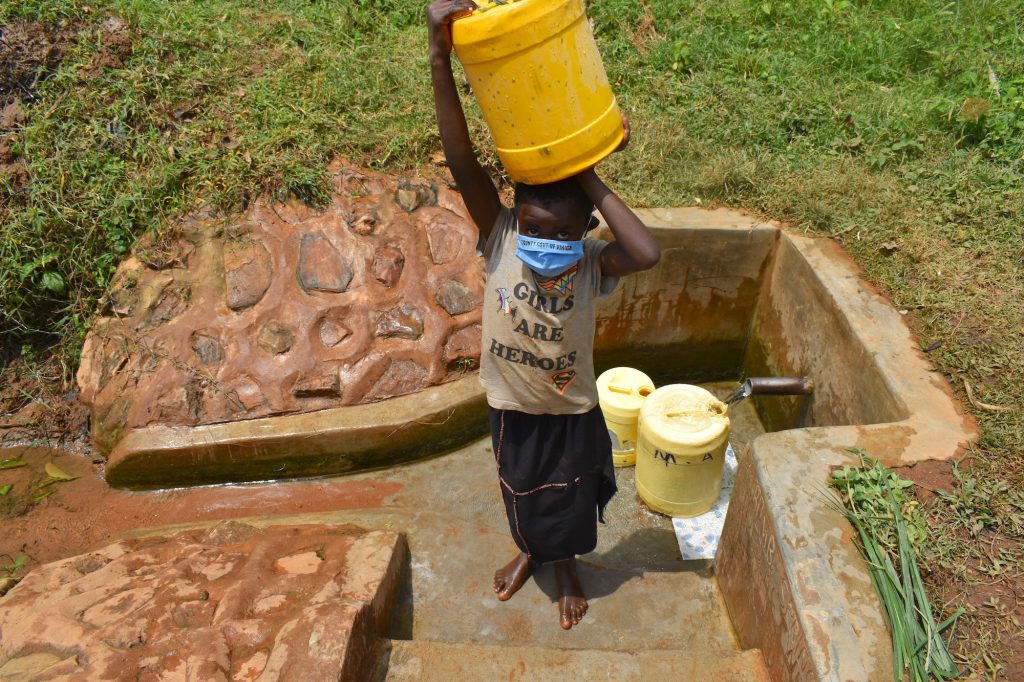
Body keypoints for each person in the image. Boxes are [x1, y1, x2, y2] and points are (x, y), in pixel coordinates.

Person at [427, 0, 661, 630]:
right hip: (511, 405)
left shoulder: (588, 263)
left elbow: (645, 251)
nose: (546, 243)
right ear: (514, 216)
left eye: (563, 234)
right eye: (535, 226)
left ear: (585, 230)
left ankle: (567, 566)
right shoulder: (501, 237)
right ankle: (532, 552)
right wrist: (438, 54)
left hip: (571, 409)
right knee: (520, 492)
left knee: (575, 494)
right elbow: (460, 158)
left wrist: (588, 174)